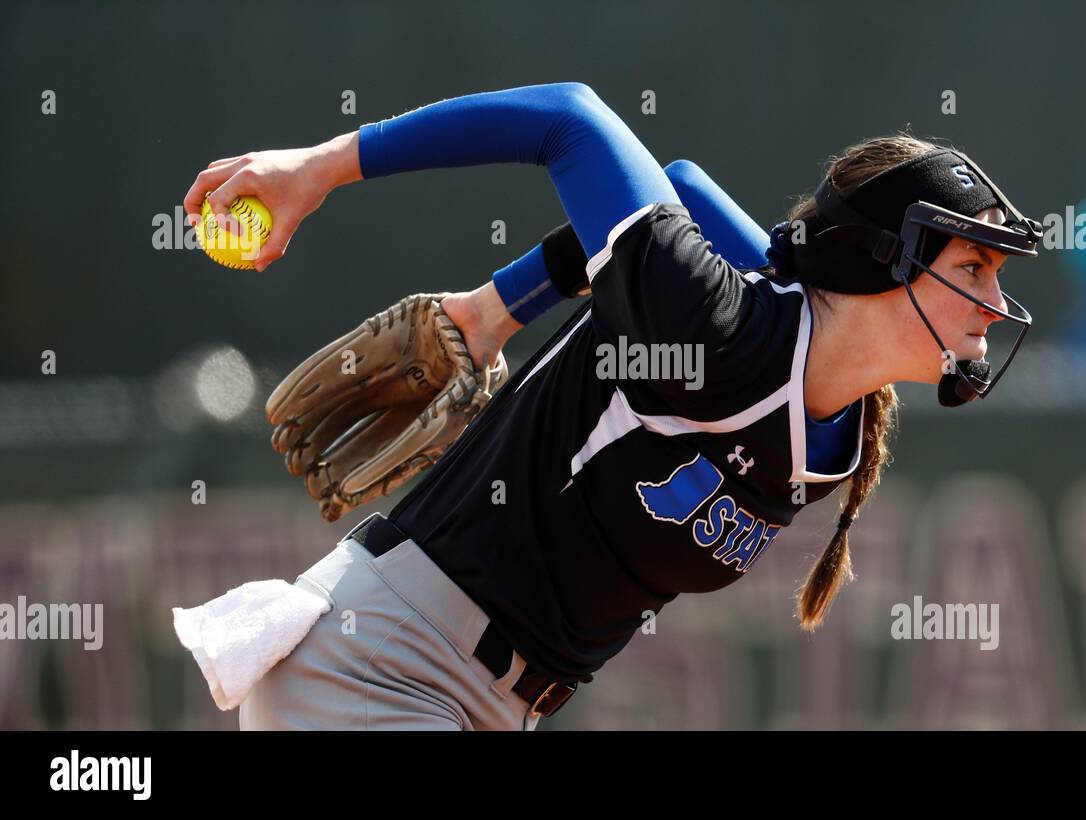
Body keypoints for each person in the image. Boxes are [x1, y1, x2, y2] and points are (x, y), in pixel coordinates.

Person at [182, 82, 1041, 730]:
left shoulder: (840, 434)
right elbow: (570, 116)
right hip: (374, 672)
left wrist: (493, 312)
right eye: (972, 267)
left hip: (482, 708)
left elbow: (686, 192)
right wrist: (324, 166)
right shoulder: (711, 326)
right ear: (880, 263)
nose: (993, 303)